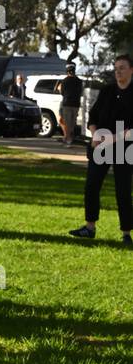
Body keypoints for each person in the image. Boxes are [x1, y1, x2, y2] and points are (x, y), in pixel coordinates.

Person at [69, 53, 133, 248]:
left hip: (125, 147)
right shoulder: (107, 91)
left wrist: (113, 138)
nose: (118, 71)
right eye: (116, 68)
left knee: (123, 191)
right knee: (92, 185)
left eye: (122, 67)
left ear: (131, 70)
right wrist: (95, 134)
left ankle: (126, 233)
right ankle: (90, 227)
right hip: (101, 144)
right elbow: (93, 116)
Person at [56, 61, 83, 145]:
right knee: (72, 123)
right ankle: (69, 138)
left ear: (67, 71)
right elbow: (80, 92)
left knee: (67, 122)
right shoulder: (79, 81)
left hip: (67, 103)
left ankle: (68, 140)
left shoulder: (65, 81)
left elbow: (63, 93)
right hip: (76, 104)